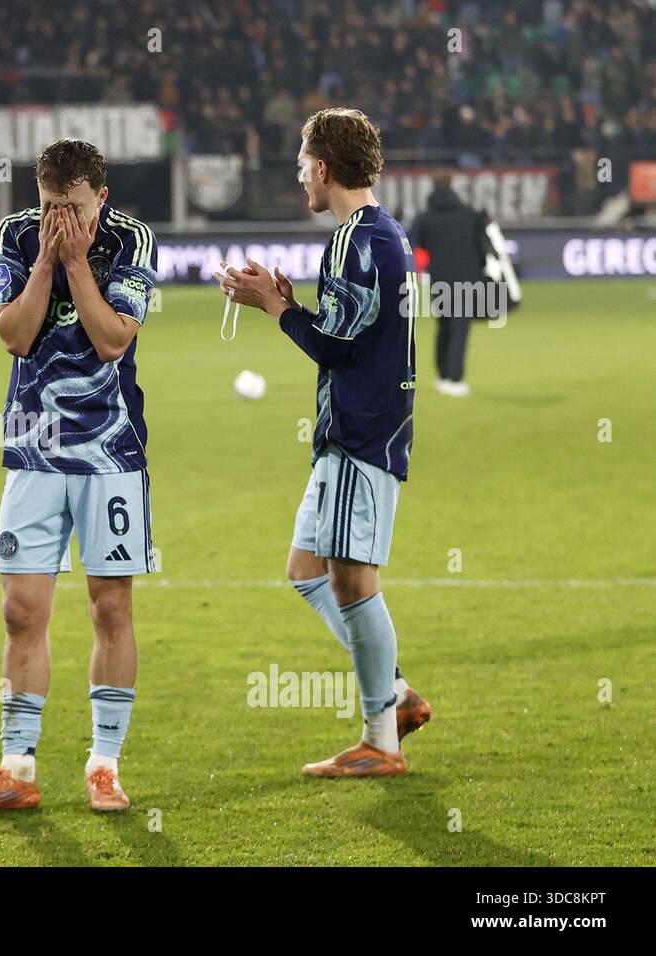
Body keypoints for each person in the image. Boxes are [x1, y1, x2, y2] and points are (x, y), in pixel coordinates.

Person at [214, 108, 430, 777]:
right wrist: (286, 300)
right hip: (355, 431)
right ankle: (391, 694)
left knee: (351, 576)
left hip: (361, 434)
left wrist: (275, 309)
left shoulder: (362, 241)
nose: (299, 173)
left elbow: (335, 348)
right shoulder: (366, 237)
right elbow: (346, 332)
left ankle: (379, 737)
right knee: (306, 570)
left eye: (303, 161)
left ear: (324, 168)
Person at [0, 139, 158, 812]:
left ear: (101, 196)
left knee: (110, 607)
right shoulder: (16, 237)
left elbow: (111, 338)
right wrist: (46, 261)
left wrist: (77, 264)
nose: (58, 219)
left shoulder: (131, 242)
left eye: (71, 207)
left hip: (111, 453)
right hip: (34, 448)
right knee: (20, 611)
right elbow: (14, 334)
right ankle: (16, 769)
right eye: (48, 207)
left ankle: (104, 766)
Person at [410, 171, 493, 396]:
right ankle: (454, 379)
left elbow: (412, 245)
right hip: (466, 279)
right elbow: (483, 245)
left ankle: (443, 374)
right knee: (460, 328)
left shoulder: (424, 217)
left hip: (438, 280)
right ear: (453, 185)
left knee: (444, 327)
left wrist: (422, 270)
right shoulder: (469, 214)